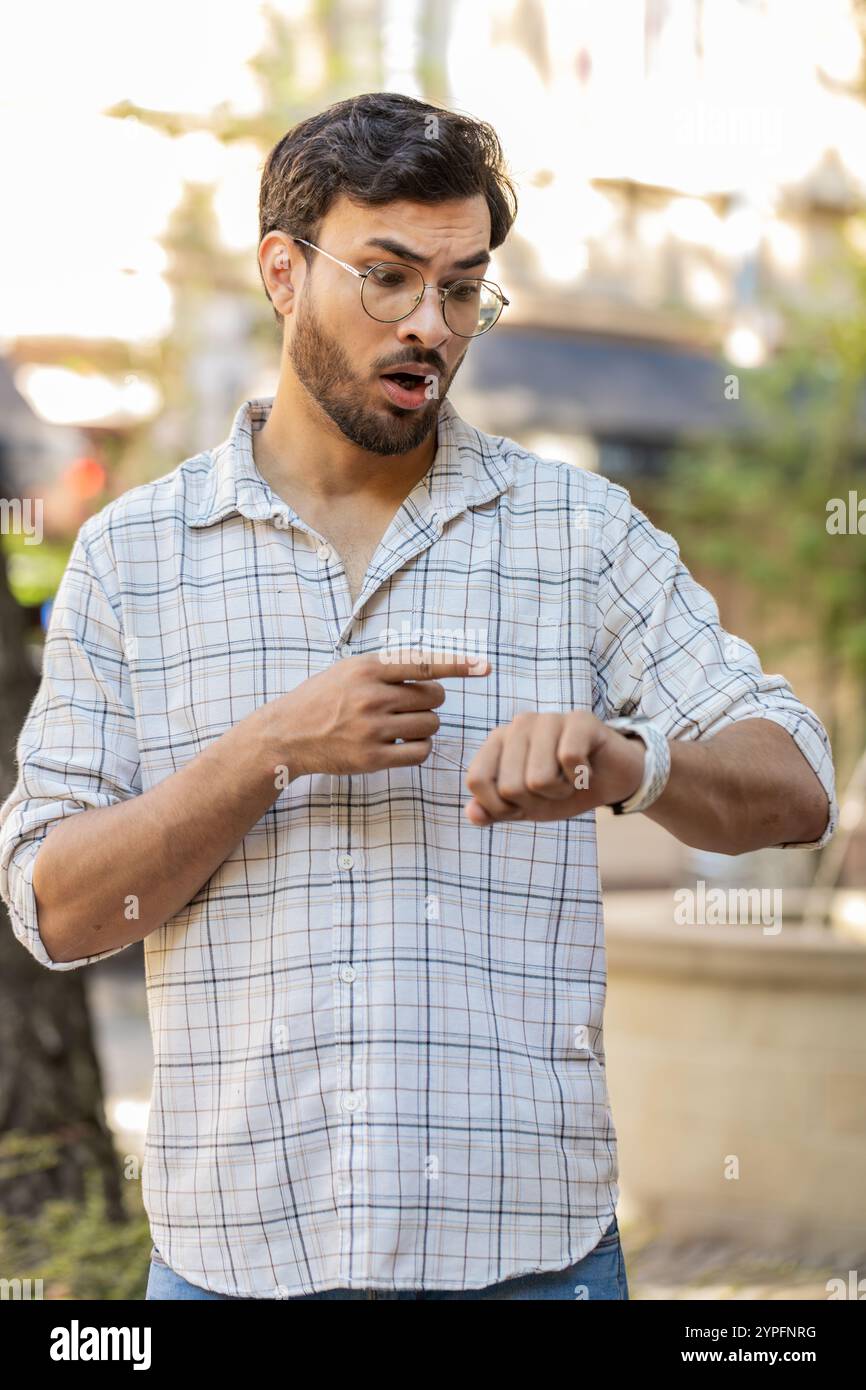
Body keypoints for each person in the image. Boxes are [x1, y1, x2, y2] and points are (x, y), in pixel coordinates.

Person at [0, 92, 836, 1302]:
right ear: (282, 272)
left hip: (530, 1268)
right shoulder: (135, 558)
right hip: (234, 1268)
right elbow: (56, 909)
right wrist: (269, 750)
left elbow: (797, 786)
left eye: (461, 289)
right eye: (386, 277)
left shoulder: (577, 533)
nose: (429, 327)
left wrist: (629, 761)